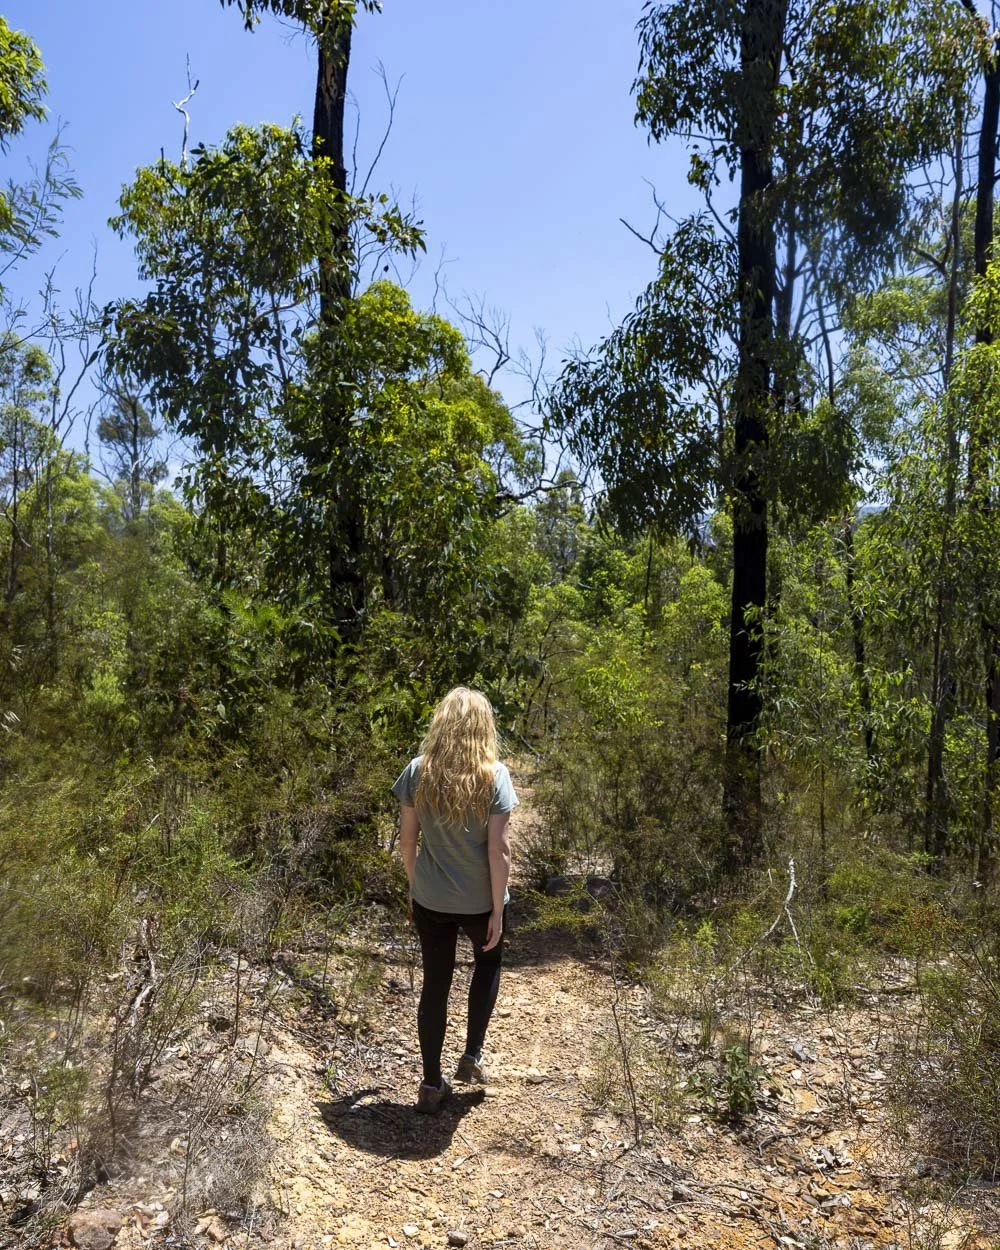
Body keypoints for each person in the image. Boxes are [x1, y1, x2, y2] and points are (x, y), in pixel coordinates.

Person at [393, 687, 517, 1114]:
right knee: (488, 964)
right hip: (480, 901)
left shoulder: (417, 771)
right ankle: (472, 1056)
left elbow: (407, 841)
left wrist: (415, 887)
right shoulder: (494, 776)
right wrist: (498, 908)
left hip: (431, 896)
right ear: (484, 728)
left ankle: (430, 1083)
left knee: (436, 982)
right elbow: (498, 850)